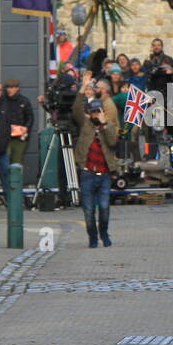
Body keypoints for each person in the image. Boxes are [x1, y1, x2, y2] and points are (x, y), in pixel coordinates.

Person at [73, 75, 120, 248]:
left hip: (105, 174)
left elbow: (113, 142)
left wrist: (105, 124)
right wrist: (83, 88)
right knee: (88, 210)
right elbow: (76, 109)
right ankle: (92, 237)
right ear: (89, 113)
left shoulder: (108, 126)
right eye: (93, 112)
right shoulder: (85, 124)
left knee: (105, 208)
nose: (95, 114)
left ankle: (104, 233)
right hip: (87, 173)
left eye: (98, 111)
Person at [2, 78, 34, 170]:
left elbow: (30, 117)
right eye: (8, 87)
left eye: (12, 87)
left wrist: (26, 128)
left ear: (17, 88)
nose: (9, 89)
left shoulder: (24, 101)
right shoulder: (3, 100)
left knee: (17, 162)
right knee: (4, 162)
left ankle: (16, 182)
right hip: (6, 136)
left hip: (20, 137)